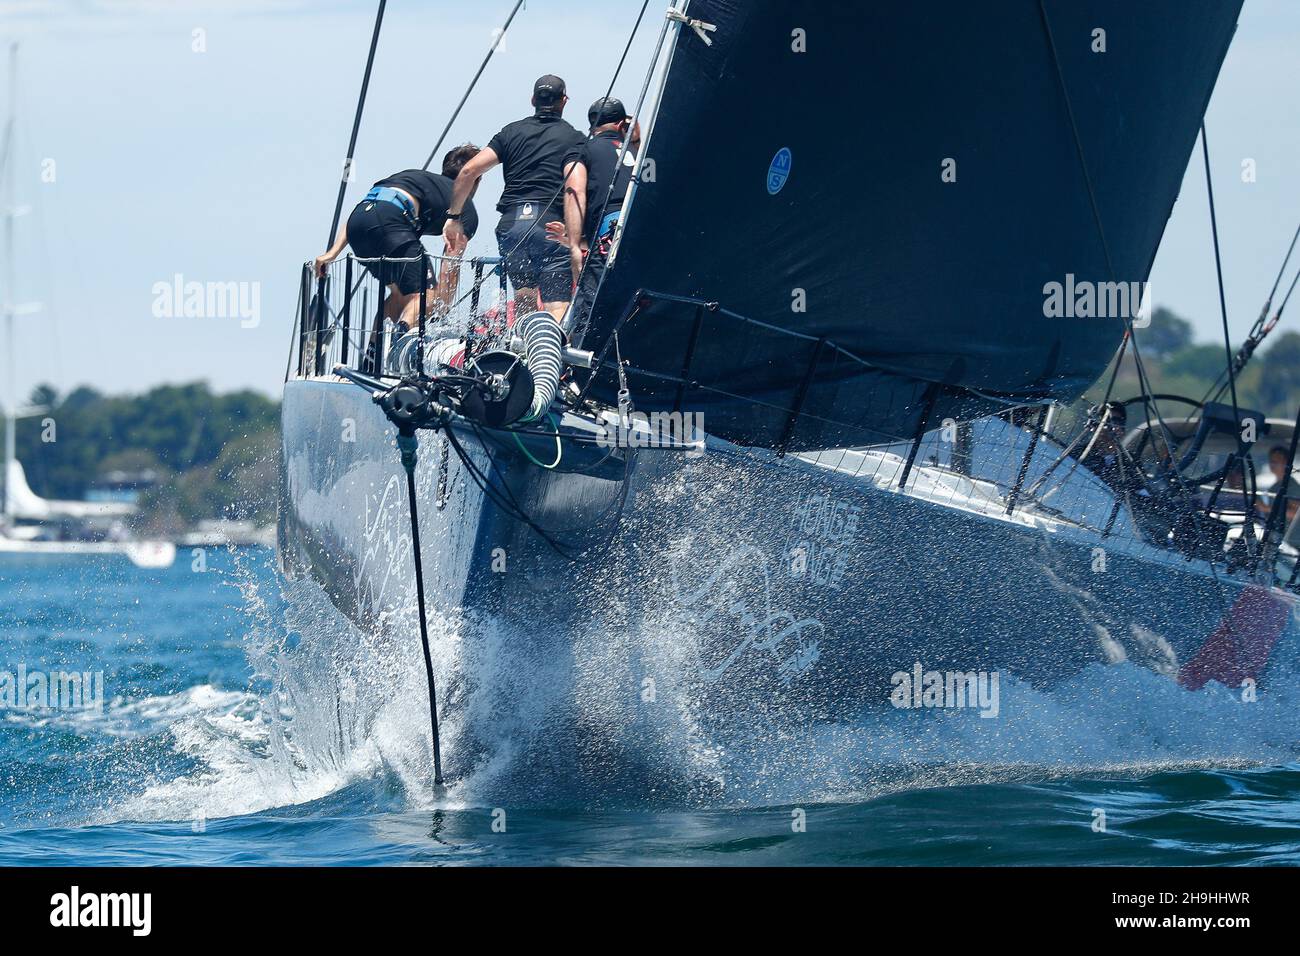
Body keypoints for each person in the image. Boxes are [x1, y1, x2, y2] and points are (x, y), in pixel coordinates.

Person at [443, 75, 586, 323]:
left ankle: (524, 353)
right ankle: (552, 357)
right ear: (564, 102)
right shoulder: (574, 138)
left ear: (533, 100)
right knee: (556, 305)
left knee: (524, 299)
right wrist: (576, 239)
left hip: (512, 227)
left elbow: (468, 171)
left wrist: (454, 217)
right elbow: (575, 186)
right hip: (550, 226)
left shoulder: (510, 133)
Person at [314, 144, 482, 330]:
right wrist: (441, 305)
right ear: (475, 179)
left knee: (400, 295)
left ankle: (373, 354)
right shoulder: (465, 206)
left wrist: (333, 252)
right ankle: (399, 337)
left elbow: (368, 207)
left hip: (358, 224)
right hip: (392, 222)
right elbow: (450, 263)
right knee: (426, 295)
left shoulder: (415, 177)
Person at [546, 96, 639, 335]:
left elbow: (574, 189)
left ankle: (577, 366)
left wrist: (575, 246)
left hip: (611, 228)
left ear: (592, 126)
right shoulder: (642, 153)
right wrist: (571, 237)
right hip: (644, 229)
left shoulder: (583, 149)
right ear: (621, 126)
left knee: (592, 309)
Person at [1258, 445, 1300, 524]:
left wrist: (1265, 508)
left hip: (1287, 535)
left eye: (1277, 460)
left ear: (1287, 463)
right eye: (1271, 460)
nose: (1273, 463)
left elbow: (1297, 514)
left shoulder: (1291, 486)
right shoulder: (1275, 486)